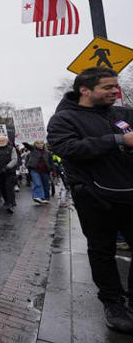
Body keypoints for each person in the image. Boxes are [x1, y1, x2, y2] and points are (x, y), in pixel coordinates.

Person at [47, 67, 133, 334]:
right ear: (84, 90)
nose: (114, 92)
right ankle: (113, 303)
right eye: (107, 87)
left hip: (130, 193)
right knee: (102, 251)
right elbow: (67, 148)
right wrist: (118, 140)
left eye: (115, 86)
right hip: (96, 198)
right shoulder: (64, 119)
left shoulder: (123, 113)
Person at [0, 136, 18, 214]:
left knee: (9, 186)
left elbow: (14, 159)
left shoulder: (12, 148)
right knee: (2, 187)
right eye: (0, 140)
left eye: (3, 140)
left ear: (6, 140)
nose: (1, 141)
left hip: (9, 171)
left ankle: (10, 203)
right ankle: (6, 201)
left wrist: (7, 167)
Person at [25, 141, 53, 205]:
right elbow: (28, 146)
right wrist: (24, 142)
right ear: (35, 144)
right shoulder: (33, 150)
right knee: (37, 183)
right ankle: (37, 197)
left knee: (46, 184)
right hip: (35, 170)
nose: (40, 145)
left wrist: (53, 170)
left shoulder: (47, 153)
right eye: (38, 143)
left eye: (41, 143)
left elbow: (51, 162)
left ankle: (46, 198)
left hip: (45, 170)